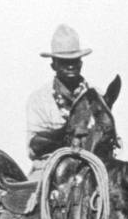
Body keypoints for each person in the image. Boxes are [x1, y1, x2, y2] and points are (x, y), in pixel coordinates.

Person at [26, 24, 93, 172]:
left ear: (81, 63)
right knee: (31, 194)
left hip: (90, 169)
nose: (70, 66)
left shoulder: (97, 97)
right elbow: (34, 146)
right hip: (50, 169)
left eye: (74, 61)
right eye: (64, 61)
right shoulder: (39, 100)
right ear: (53, 65)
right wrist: (68, 132)